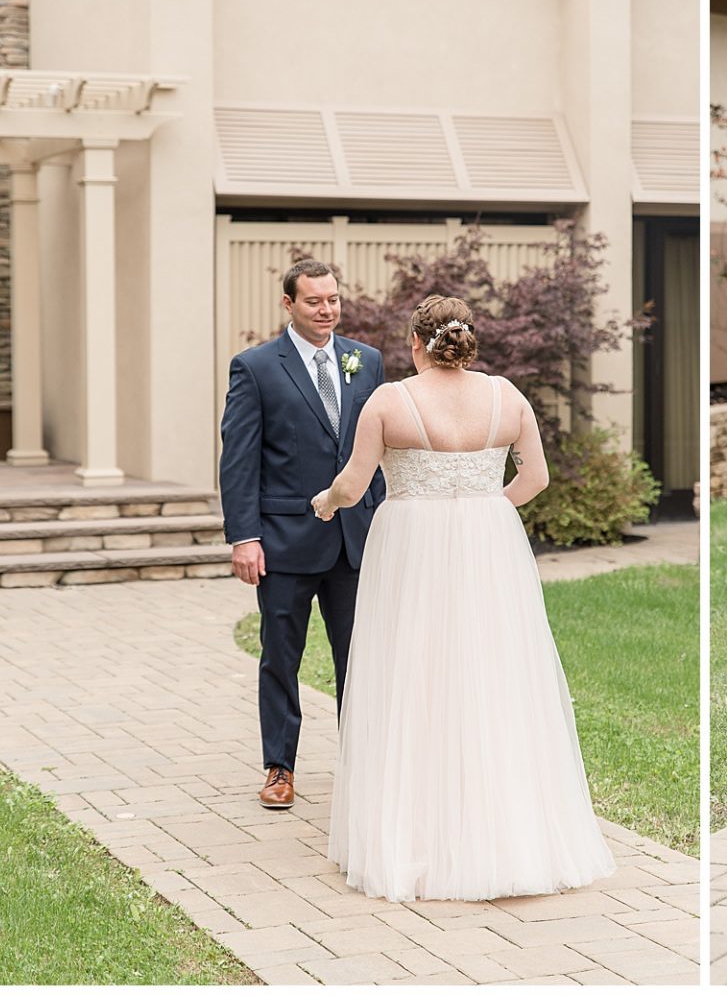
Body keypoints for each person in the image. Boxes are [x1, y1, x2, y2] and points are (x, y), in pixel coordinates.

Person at [312, 294, 615, 901]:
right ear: (466, 341)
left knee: (413, 676)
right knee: (495, 673)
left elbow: (353, 482)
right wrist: (483, 511)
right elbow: (536, 480)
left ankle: (414, 836)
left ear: (415, 344)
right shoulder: (508, 396)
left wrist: (325, 503)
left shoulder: (390, 400)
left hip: (412, 545)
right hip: (489, 545)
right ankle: (508, 835)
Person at [220, 259, 386, 809]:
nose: (327, 310)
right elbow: (239, 460)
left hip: (354, 543)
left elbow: (377, 457)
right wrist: (244, 537)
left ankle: (363, 766)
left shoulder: (368, 362)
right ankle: (279, 769)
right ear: (288, 304)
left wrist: (385, 522)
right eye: (314, 301)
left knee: (359, 659)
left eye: (333, 299)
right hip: (284, 544)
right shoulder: (256, 367)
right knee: (280, 659)